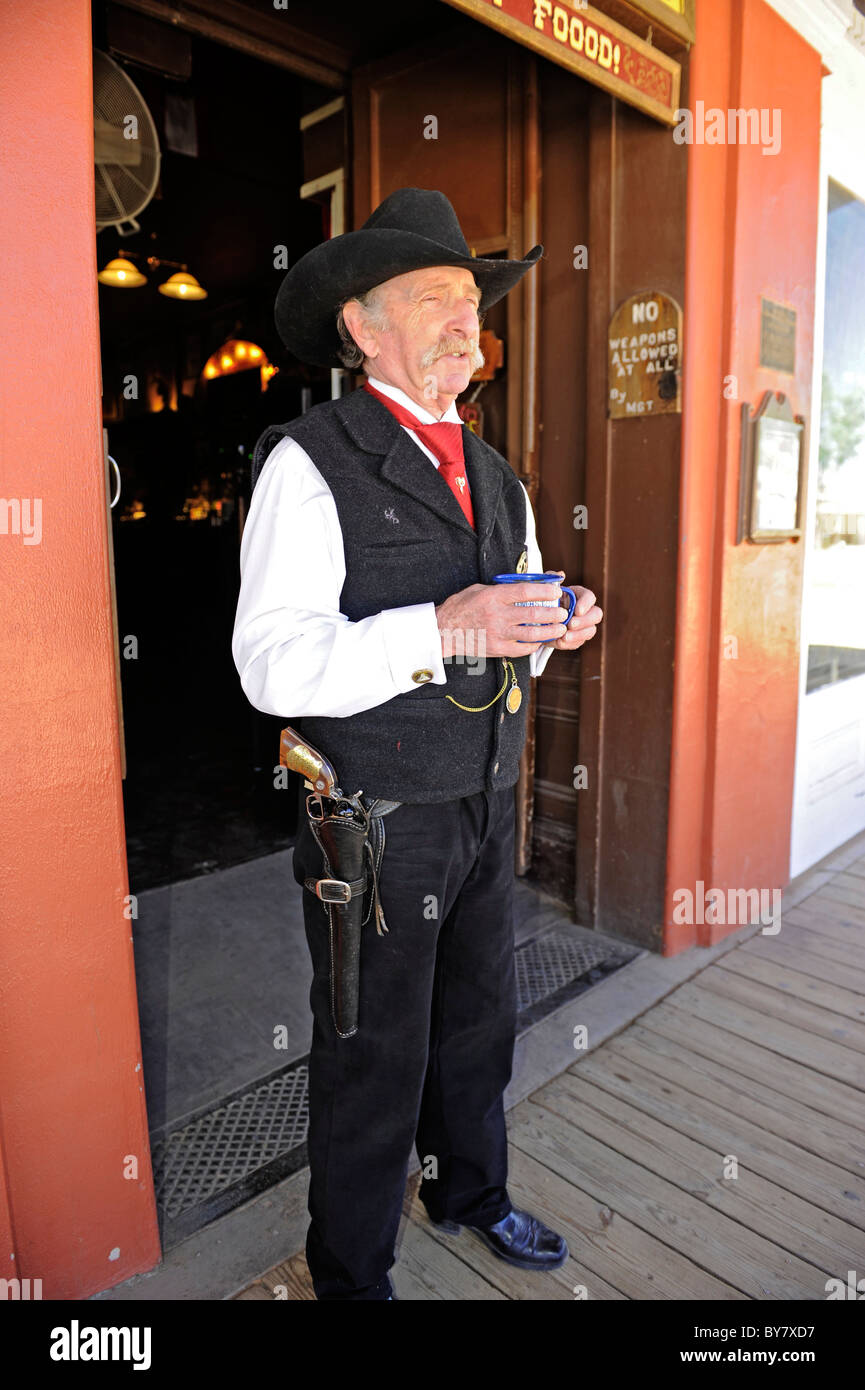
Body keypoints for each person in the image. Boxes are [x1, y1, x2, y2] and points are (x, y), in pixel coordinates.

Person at [232, 188, 603, 1300]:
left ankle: (469, 1192)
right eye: (435, 297)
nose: (465, 320)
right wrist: (444, 626)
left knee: (480, 1018)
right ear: (362, 326)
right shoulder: (309, 459)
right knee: (371, 1051)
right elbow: (270, 664)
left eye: (470, 300)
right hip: (377, 826)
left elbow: (509, 635)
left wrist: (550, 625)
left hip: (485, 800)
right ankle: (351, 1273)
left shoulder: (496, 475)